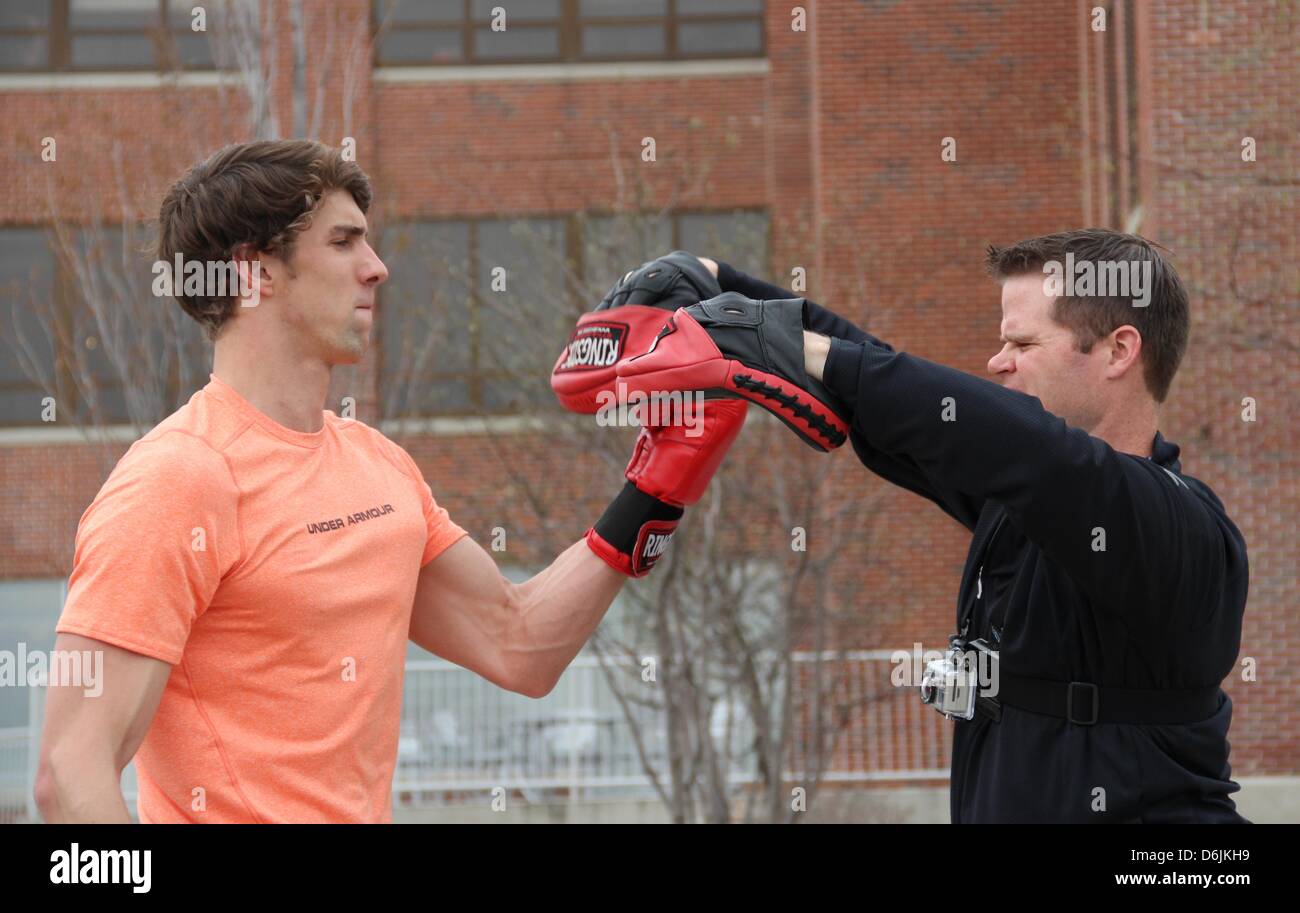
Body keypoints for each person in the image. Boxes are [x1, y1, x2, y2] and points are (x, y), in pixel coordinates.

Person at [34, 140, 744, 823]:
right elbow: (70, 775)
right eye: (343, 243)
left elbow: (519, 642)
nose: (376, 267)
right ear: (253, 271)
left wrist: (657, 484)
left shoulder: (378, 465)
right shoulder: (176, 480)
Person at [616, 231, 1249, 823]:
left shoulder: (1181, 531)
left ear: (1119, 350)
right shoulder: (1024, 509)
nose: (999, 363)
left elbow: (1029, 451)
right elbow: (906, 408)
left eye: (1024, 345)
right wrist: (726, 284)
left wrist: (789, 343)